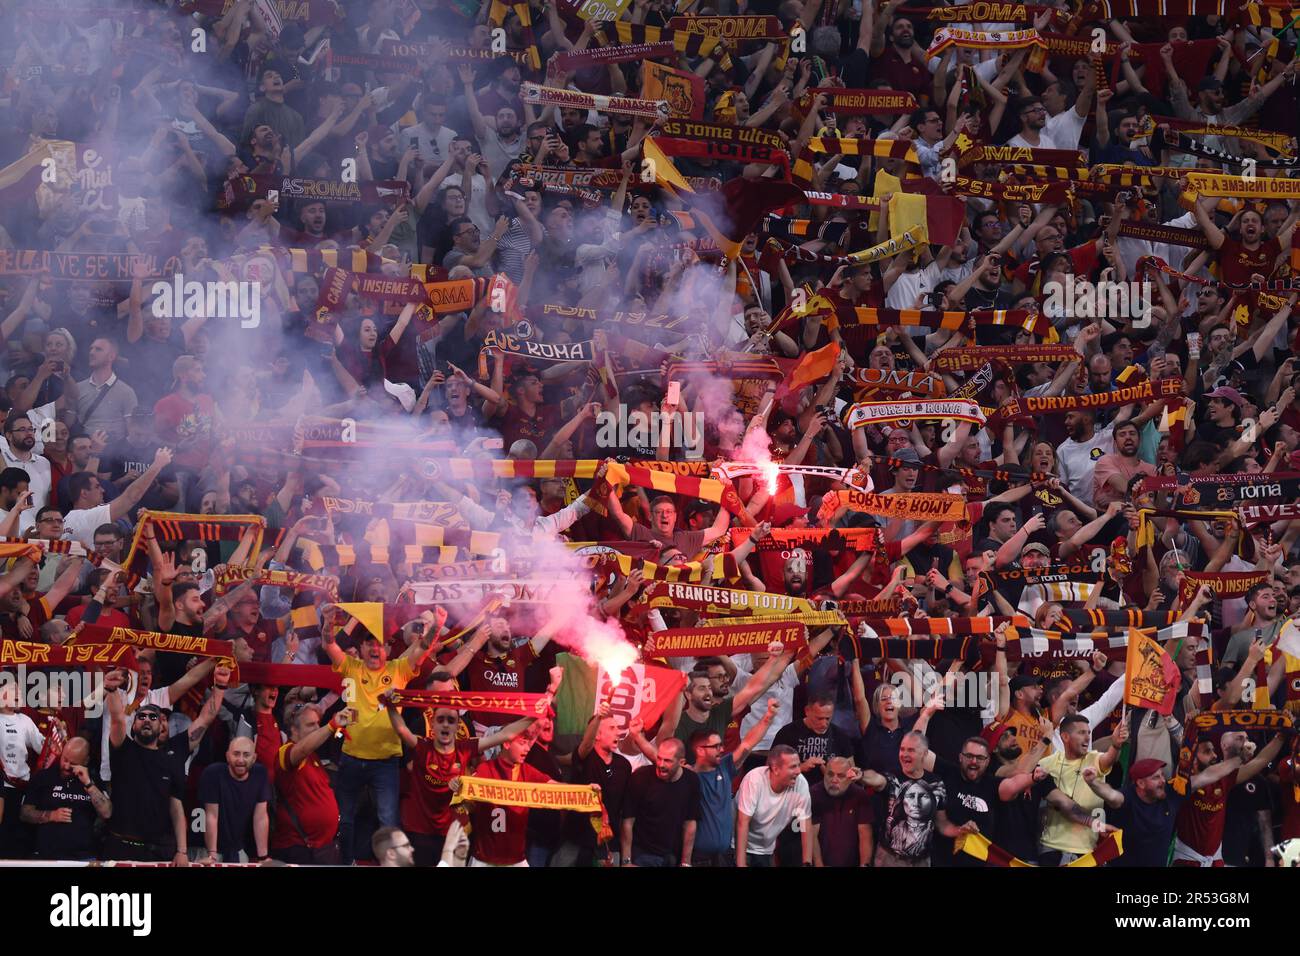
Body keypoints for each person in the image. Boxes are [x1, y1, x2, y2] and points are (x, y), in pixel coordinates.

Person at [321, 604, 439, 864]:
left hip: (386, 762)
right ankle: (346, 862)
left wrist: (437, 625)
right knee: (346, 819)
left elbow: (423, 648)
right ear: (361, 649)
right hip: (351, 757)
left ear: (387, 649)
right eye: (369, 644)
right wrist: (328, 623)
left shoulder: (398, 669)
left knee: (388, 821)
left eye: (380, 644)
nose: (375, 649)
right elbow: (329, 645)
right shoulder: (351, 667)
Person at [20, 736, 111, 861]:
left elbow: (107, 813)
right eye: (65, 759)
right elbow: (25, 813)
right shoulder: (43, 777)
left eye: (73, 763)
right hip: (47, 856)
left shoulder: (93, 780)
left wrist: (88, 784)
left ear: (86, 761)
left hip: (84, 857)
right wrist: (51, 815)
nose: (66, 766)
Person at [621, 738, 700, 867]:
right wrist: (626, 861)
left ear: (682, 762)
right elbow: (628, 821)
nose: (661, 764)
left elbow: (690, 823)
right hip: (642, 854)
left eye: (667, 760)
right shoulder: (640, 777)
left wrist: (686, 862)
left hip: (672, 855)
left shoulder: (691, 781)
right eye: (659, 758)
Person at [197, 736, 272, 863]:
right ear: (227, 756)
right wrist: (212, 855)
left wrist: (262, 857)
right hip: (206, 847)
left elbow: (260, 817)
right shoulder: (213, 773)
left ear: (254, 758)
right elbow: (211, 816)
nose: (240, 760)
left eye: (246, 755)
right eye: (236, 754)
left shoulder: (260, 774)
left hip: (237, 847)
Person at [735, 745, 813, 867]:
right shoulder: (755, 779)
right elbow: (742, 822)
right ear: (776, 769)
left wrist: (807, 863)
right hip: (737, 846)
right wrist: (741, 864)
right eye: (793, 767)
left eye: (798, 765)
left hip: (765, 849)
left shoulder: (800, 783)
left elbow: (805, 823)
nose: (798, 771)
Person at [810, 756, 874, 867]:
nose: (834, 780)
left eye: (840, 776)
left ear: (850, 778)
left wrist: (864, 864)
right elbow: (812, 834)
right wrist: (819, 864)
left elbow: (865, 835)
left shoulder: (860, 795)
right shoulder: (814, 793)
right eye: (830, 774)